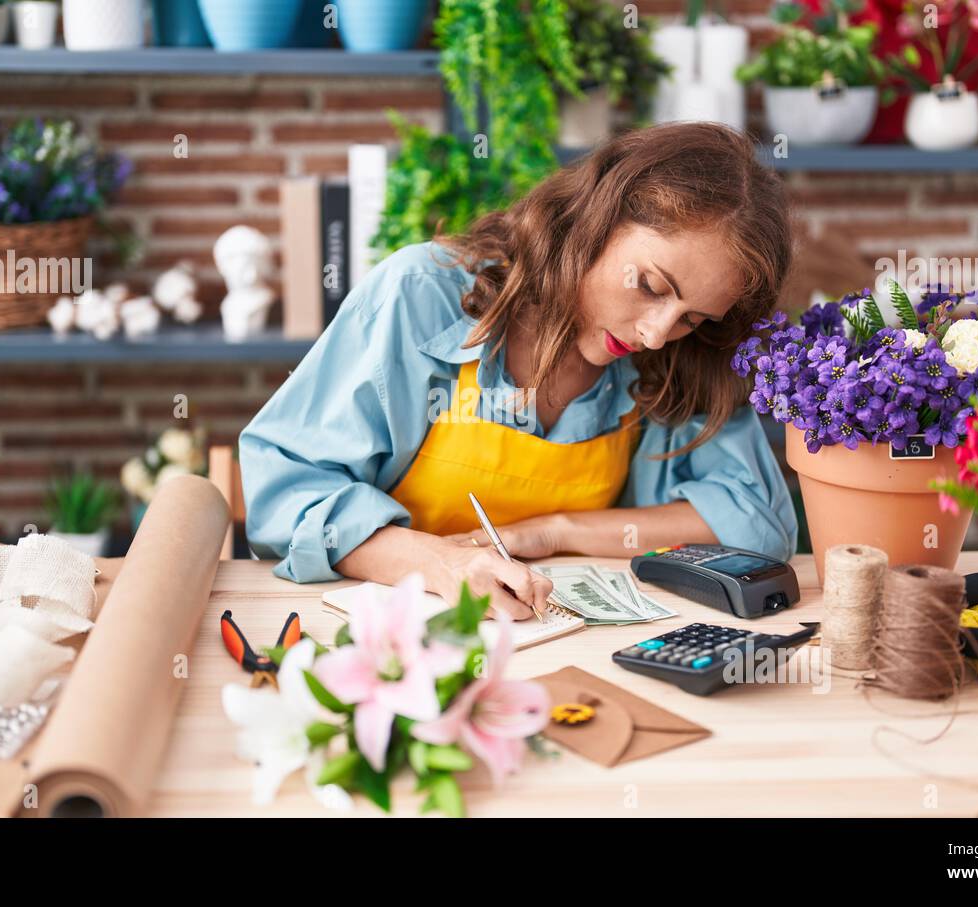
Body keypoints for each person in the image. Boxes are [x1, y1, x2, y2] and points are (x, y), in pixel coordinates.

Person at [240, 123, 798, 620]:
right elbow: (283, 495)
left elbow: (756, 524)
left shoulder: (674, 356)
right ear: (596, 220)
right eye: (651, 286)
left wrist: (551, 532)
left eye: (692, 318)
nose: (655, 333)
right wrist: (438, 564)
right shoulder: (417, 298)